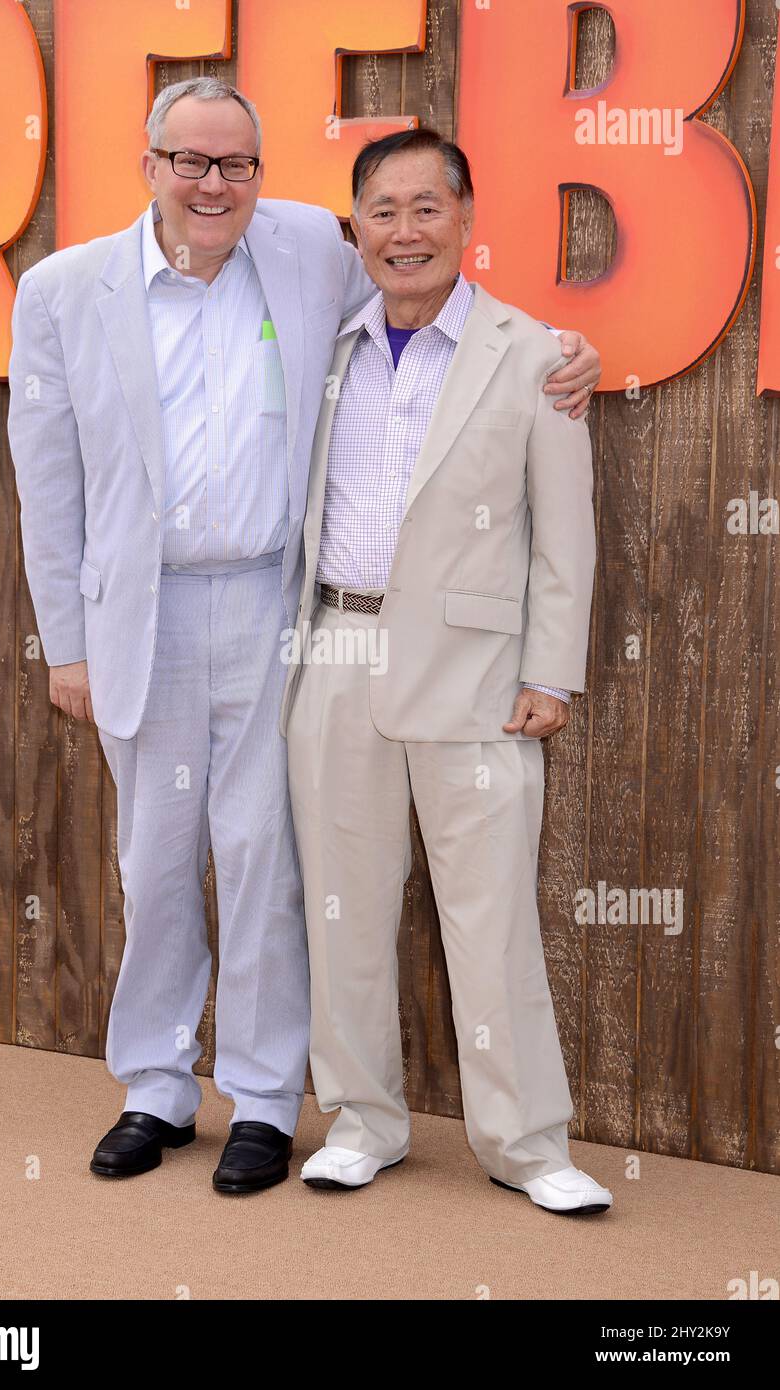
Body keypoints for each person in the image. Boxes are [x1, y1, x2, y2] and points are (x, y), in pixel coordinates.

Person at [8, 79, 603, 1195]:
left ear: (263, 176)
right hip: (146, 612)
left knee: (268, 862)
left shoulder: (305, 252)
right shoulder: (61, 291)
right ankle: (155, 1086)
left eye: (236, 165)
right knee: (152, 858)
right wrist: (67, 643)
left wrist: (568, 349)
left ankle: (267, 1098)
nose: (213, 185)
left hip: (280, 611)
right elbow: (47, 482)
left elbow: (460, 319)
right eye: (190, 162)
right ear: (147, 164)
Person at [282, 127, 611, 1215]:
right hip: (335, 652)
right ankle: (363, 1123)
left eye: (427, 207)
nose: (404, 230)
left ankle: (526, 1143)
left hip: (478, 679)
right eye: (382, 210)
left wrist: (550, 675)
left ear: (465, 220)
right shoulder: (321, 350)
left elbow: (567, 535)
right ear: (355, 227)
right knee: (342, 910)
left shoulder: (535, 356)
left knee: (491, 920)